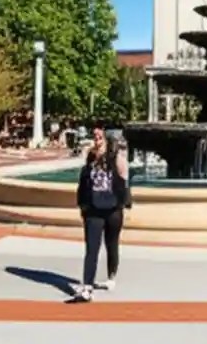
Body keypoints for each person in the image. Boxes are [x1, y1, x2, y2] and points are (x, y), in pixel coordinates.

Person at [74, 128, 129, 302]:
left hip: (113, 210)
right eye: (95, 136)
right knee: (92, 248)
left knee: (111, 244)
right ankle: (87, 287)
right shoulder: (90, 158)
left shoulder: (116, 158)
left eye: (100, 137)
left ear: (106, 139)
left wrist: (125, 204)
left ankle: (111, 275)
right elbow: (84, 181)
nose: (96, 140)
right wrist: (83, 205)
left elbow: (124, 183)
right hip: (93, 210)